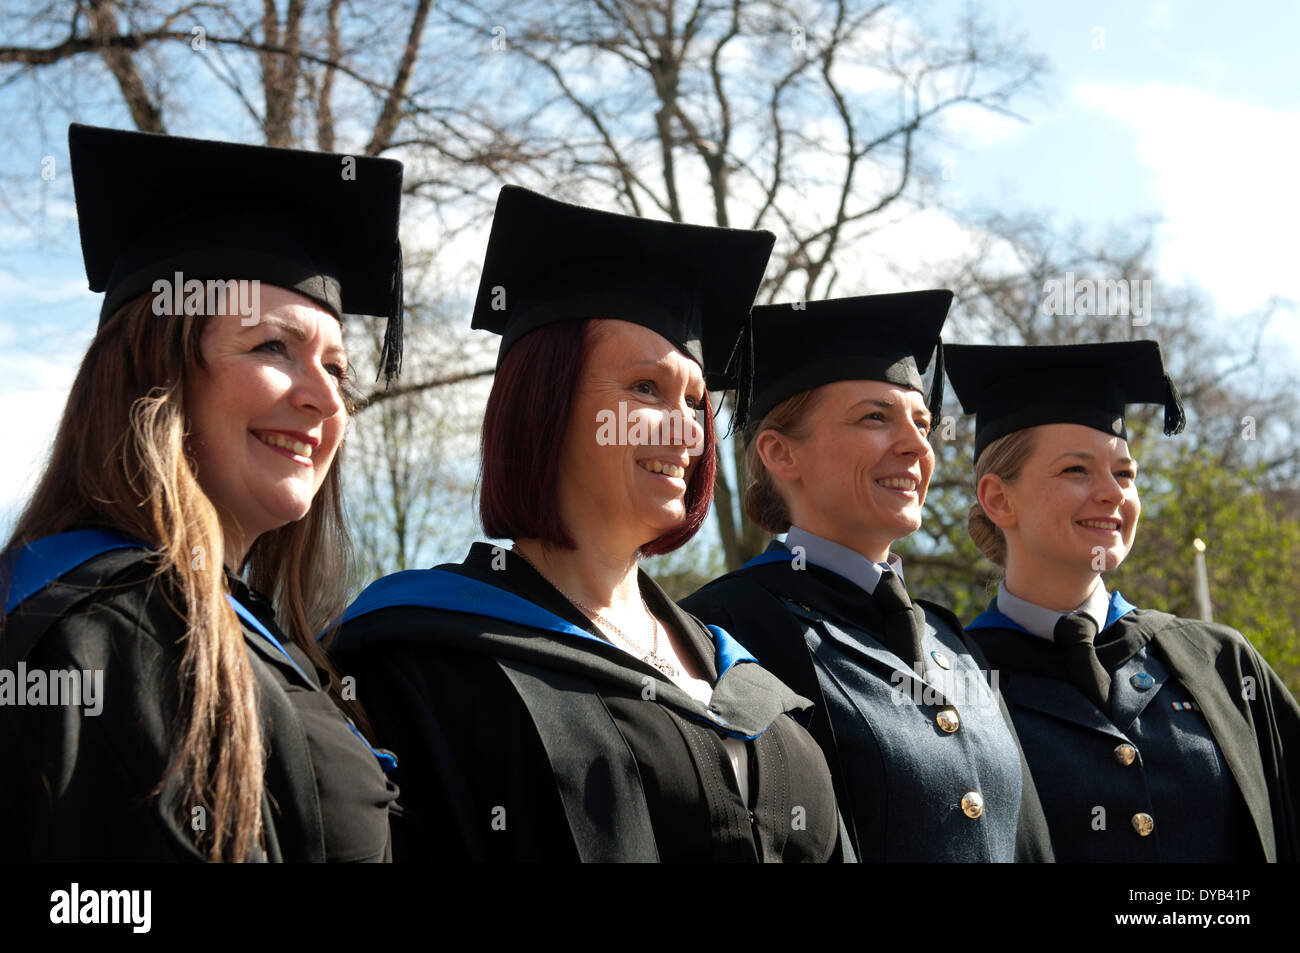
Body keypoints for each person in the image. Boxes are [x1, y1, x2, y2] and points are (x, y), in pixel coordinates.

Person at [327, 185, 846, 862]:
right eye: (645, 389)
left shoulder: (734, 669)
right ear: (543, 405)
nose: (686, 429)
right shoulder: (418, 656)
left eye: (694, 399)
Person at [0, 124, 402, 862]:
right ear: (157, 374)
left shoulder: (267, 637)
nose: (325, 398)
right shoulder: (113, 636)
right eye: (272, 346)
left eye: (338, 368)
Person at [680, 293, 1053, 861]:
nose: (917, 445)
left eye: (923, 423)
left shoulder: (955, 644)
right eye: (875, 417)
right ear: (781, 453)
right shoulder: (721, 631)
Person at [947, 340, 1300, 861]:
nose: (1114, 492)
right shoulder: (957, 685)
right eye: (1076, 470)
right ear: (999, 499)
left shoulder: (1220, 662)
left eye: (1126, 473)